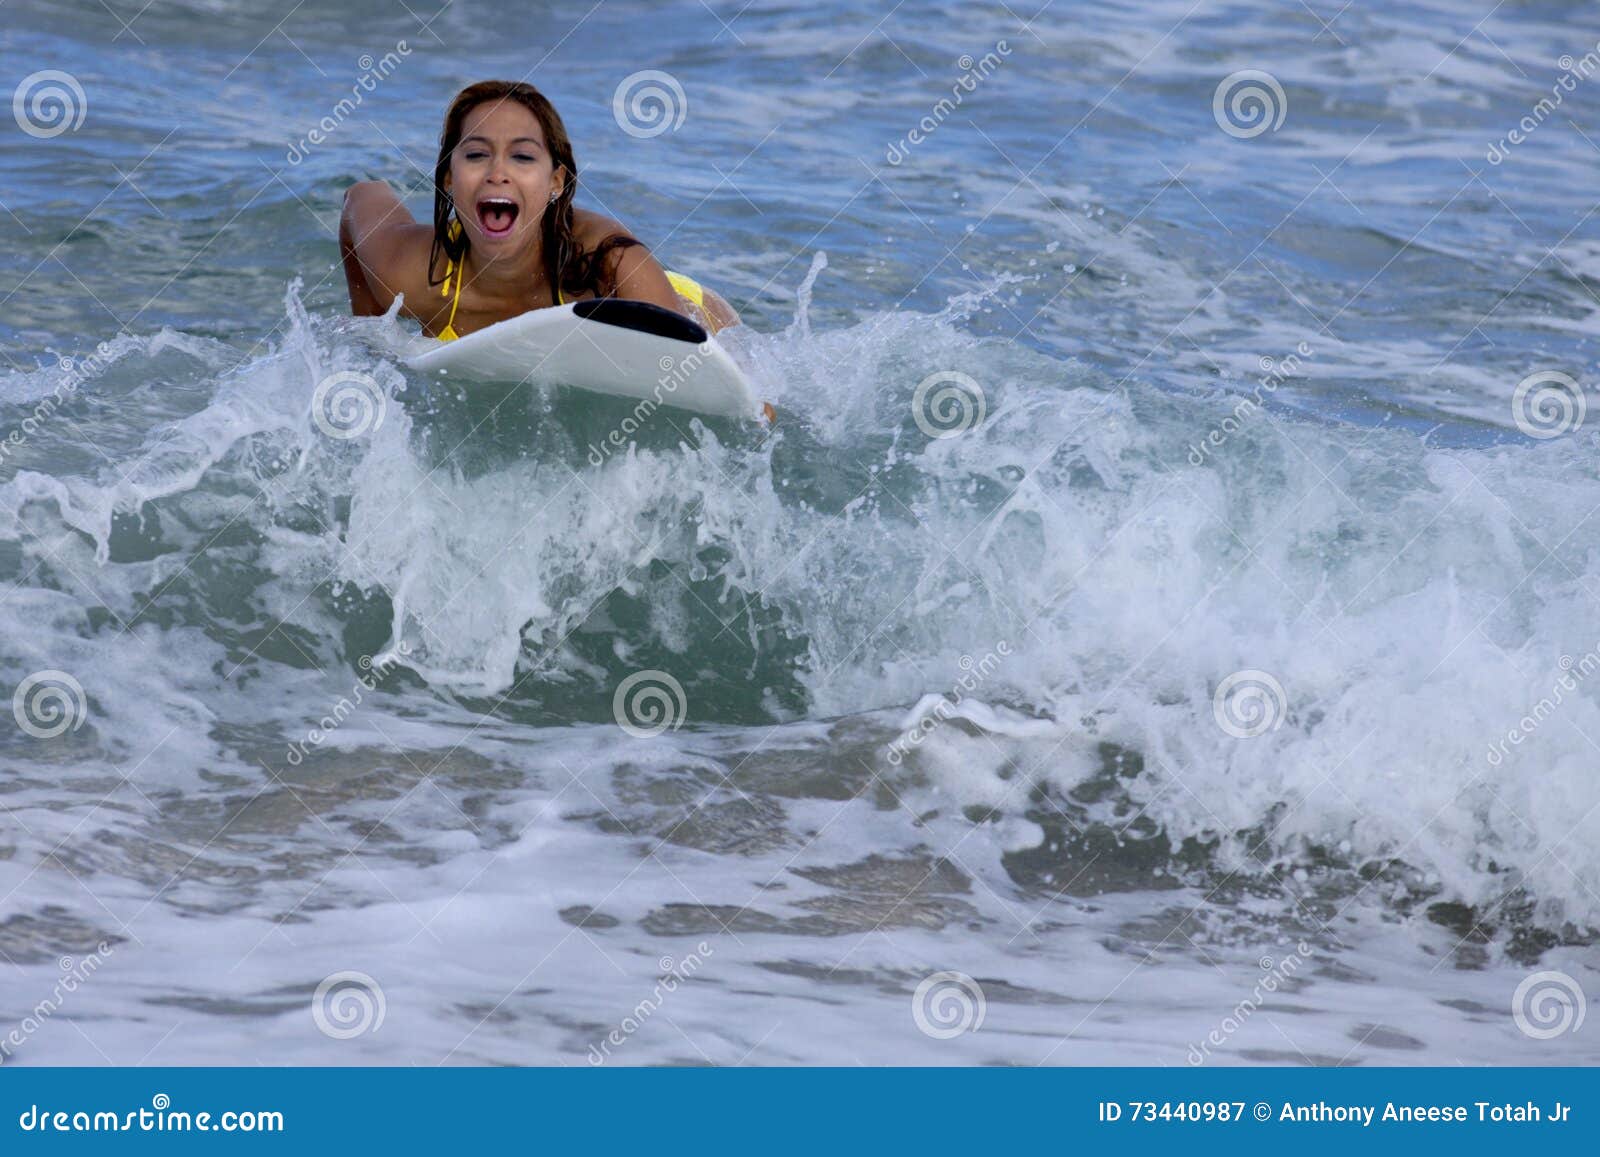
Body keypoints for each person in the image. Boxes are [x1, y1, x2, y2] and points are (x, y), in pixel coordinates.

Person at [340, 79, 739, 341]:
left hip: (689, 314)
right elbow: (362, 196)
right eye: (477, 154)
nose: (498, 173)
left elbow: (690, 370)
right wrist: (374, 332)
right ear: (448, 178)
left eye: (523, 157)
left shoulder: (608, 260)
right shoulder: (405, 273)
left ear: (556, 182)